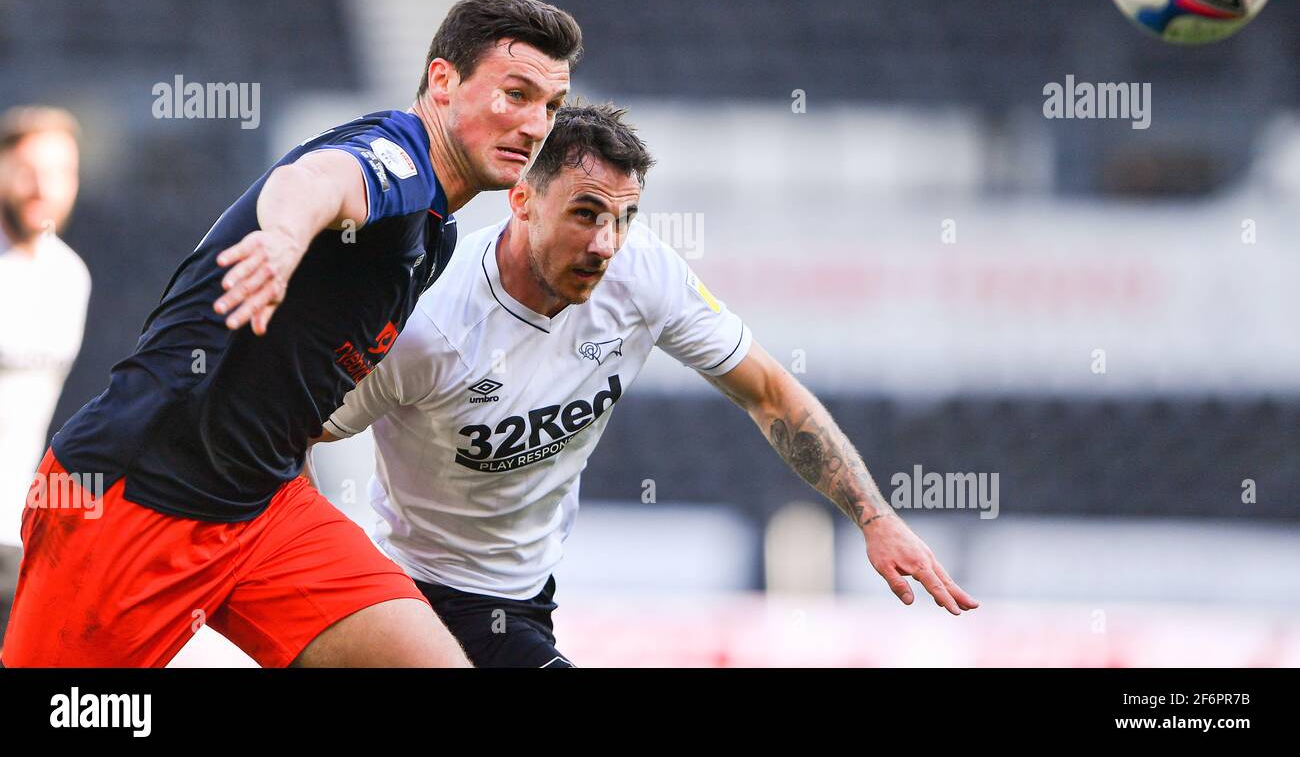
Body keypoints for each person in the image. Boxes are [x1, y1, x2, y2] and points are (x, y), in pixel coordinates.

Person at [1, 0, 580, 668]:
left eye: (552, 106)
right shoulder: (398, 158)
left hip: (265, 510)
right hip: (136, 500)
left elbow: (301, 379)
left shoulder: (437, 233)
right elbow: (320, 179)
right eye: (515, 93)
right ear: (443, 82)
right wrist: (280, 237)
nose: (536, 124)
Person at [315, 103, 978, 667]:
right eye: (585, 213)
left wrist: (875, 517)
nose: (606, 242)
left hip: (526, 596)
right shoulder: (429, 322)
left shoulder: (642, 275)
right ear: (522, 200)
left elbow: (770, 392)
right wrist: (330, 585)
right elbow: (293, 433)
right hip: (420, 595)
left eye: (624, 217)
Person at [0, 107, 90, 644]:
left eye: (59, 172)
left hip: (14, 531)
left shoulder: (69, 277)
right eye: (29, 169)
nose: (43, 187)